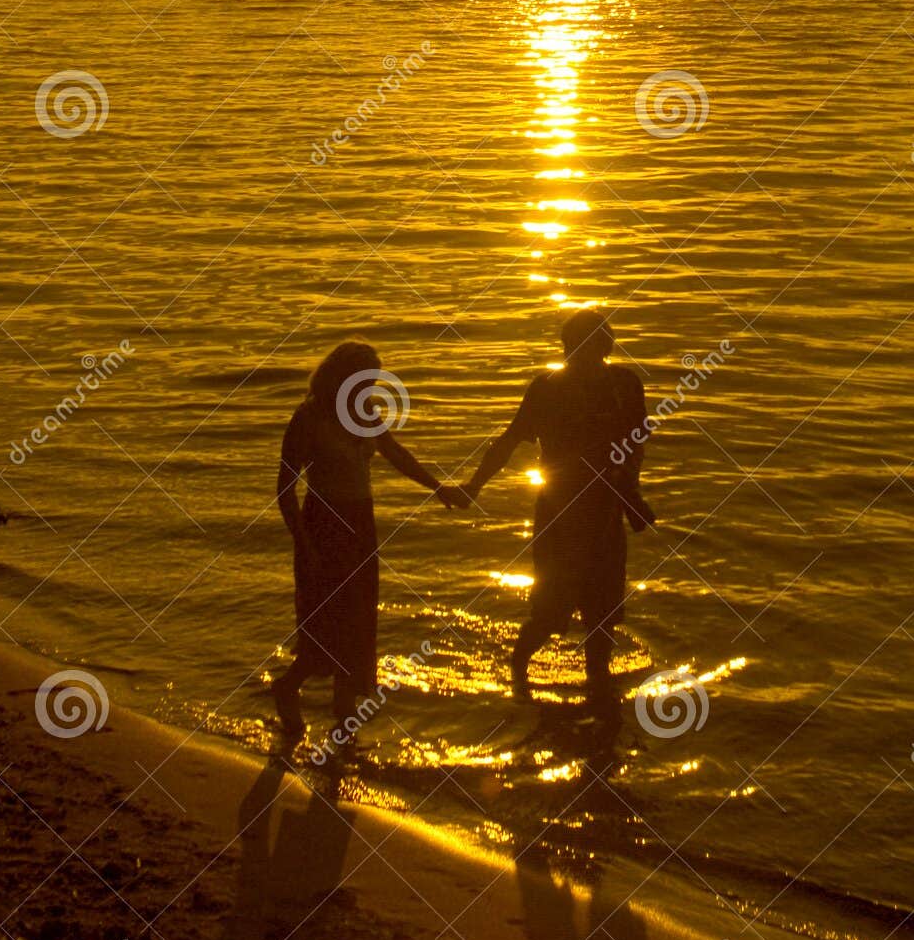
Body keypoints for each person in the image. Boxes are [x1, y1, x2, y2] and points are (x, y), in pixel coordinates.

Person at [271, 341, 466, 742]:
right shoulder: (308, 419)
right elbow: (285, 490)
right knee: (323, 624)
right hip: (324, 526)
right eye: (365, 377)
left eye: (374, 378)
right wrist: (304, 546)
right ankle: (287, 688)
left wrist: (438, 488)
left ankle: (343, 719)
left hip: (361, 525)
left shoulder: (366, 413)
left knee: (357, 622)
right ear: (341, 378)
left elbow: (396, 453)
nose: (371, 385)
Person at [463, 310, 653, 703]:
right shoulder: (547, 388)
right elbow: (512, 438)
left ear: (604, 348)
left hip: (605, 512)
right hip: (560, 516)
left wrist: (629, 490)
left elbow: (636, 442)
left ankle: (598, 697)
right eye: (577, 347)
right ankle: (518, 675)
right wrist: (474, 486)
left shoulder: (625, 385)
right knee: (551, 615)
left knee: (602, 620)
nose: (579, 355)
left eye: (591, 346)